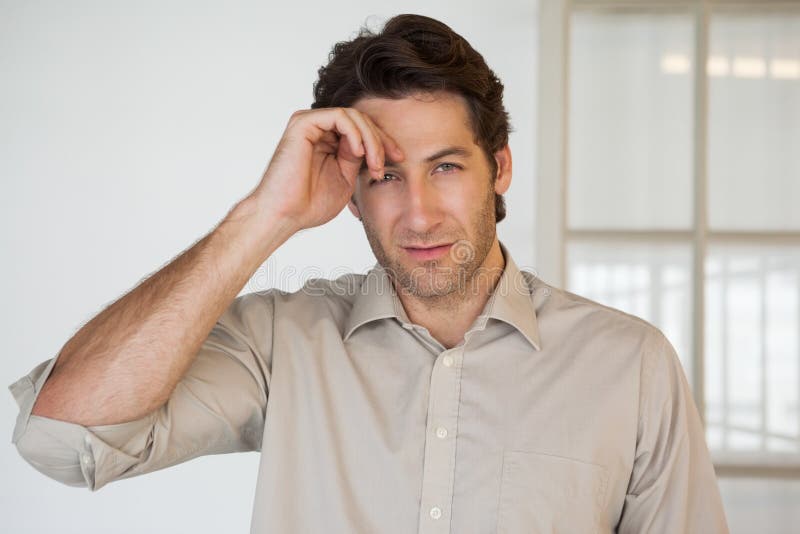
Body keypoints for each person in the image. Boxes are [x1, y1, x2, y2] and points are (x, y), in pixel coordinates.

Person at [8, 13, 729, 534]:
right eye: (384, 176)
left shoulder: (629, 365)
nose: (417, 215)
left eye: (445, 168)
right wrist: (265, 214)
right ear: (349, 189)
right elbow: (61, 442)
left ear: (499, 167)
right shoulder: (281, 344)